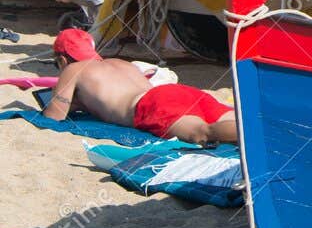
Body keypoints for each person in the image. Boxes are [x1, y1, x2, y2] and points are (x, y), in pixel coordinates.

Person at [42, 29, 236, 146]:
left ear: (62, 60)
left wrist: (63, 100)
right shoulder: (120, 62)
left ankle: (255, 137)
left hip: (151, 104)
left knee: (203, 133)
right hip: (176, 91)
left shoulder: (73, 69)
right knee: (238, 120)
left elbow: (53, 117)